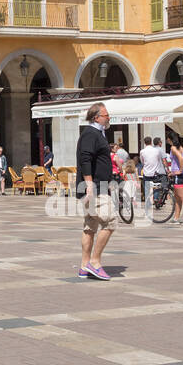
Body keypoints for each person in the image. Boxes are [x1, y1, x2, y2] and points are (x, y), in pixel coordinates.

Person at [77, 102, 115, 281]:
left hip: (99, 185)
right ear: (96, 117)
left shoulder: (97, 133)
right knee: (110, 222)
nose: (108, 117)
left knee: (90, 226)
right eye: (106, 115)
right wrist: (89, 184)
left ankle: (84, 266)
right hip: (95, 187)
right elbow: (85, 158)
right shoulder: (90, 134)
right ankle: (95, 262)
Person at [139, 137, 167, 205]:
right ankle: (155, 198)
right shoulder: (156, 151)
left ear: (145, 143)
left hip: (146, 171)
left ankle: (148, 200)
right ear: (151, 142)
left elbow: (142, 161)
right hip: (155, 171)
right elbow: (158, 160)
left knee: (147, 187)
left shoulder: (142, 151)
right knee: (156, 186)